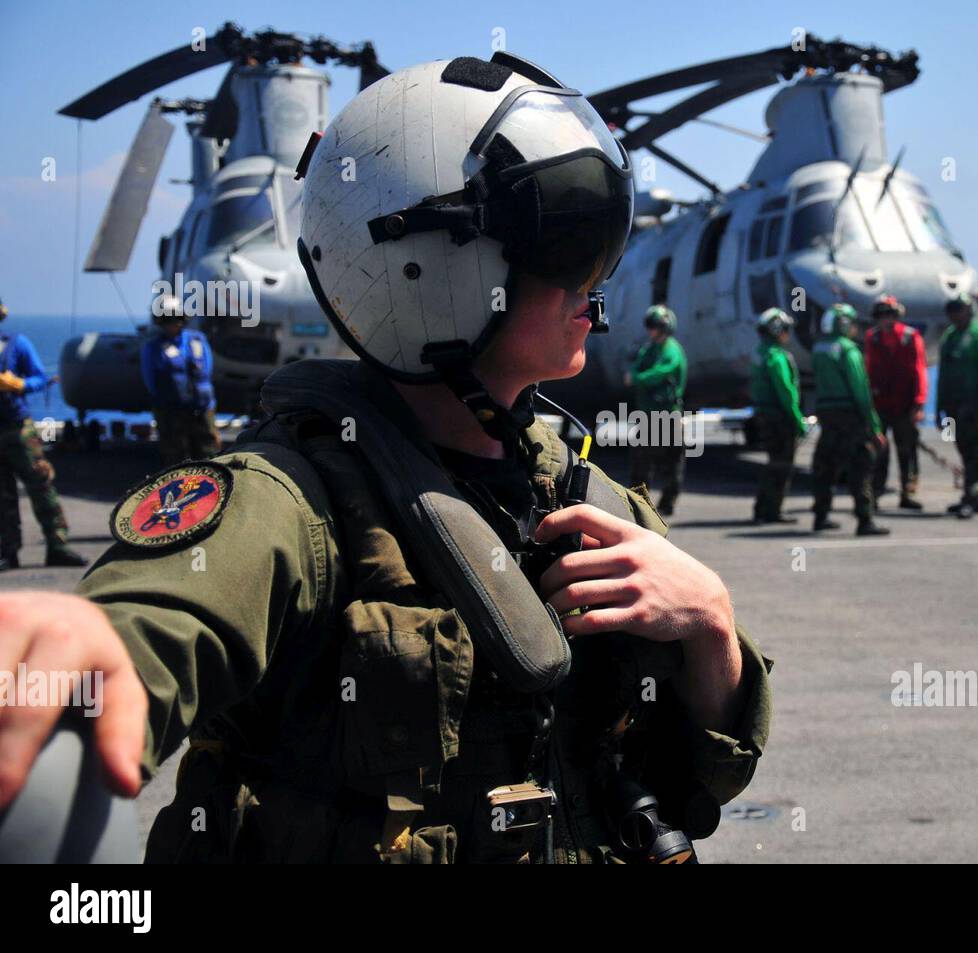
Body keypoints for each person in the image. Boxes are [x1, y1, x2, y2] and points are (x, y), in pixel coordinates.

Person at [0, 56, 771, 865]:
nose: (596, 277)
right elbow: (160, 618)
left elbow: (699, 779)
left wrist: (711, 621)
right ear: (429, 266)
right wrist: (85, 649)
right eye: (570, 241)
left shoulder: (590, 492)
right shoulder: (293, 500)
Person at [0, 296, 86, 569]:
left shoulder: (16, 344)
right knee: (2, 495)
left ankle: (58, 545)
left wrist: (19, 384)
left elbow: (40, 378)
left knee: (41, 485)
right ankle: (7, 551)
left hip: (18, 429)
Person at [811, 303, 889, 536]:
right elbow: (861, 391)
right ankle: (865, 519)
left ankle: (821, 515)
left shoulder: (819, 350)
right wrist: (874, 426)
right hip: (849, 416)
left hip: (827, 413)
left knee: (825, 465)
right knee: (860, 466)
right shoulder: (849, 351)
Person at [935, 292, 978, 519]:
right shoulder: (950, 337)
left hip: (973, 409)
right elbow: (943, 375)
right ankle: (975, 497)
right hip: (952, 409)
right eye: (951, 310)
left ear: (968, 310)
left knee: (976, 455)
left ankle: (971, 499)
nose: (953, 314)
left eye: (958, 309)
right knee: (964, 452)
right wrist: (938, 409)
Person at [863, 295, 928, 511]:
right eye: (882, 315)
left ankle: (907, 493)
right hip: (880, 404)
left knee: (907, 451)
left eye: (890, 315)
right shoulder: (872, 339)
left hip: (905, 406)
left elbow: (919, 371)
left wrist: (918, 403)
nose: (886, 319)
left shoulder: (911, 338)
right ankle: (875, 493)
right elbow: (868, 371)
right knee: (878, 450)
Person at [140, 296, 220, 466]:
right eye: (168, 319)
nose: (173, 324)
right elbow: (150, 380)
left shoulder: (197, 341)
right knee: (175, 456)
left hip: (202, 408)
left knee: (208, 454)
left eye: (176, 318)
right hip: (171, 411)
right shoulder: (153, 348)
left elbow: (207, 370)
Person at [624, 304, 687, 517]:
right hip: (648, 416)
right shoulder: (649, 349)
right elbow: (637, 366)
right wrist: (637, 375)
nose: (651, 330)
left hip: (668, 415)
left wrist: (638, 379)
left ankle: (667, 503)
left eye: (655, 326)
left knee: (672, 462)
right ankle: (639, 502)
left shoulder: (671, 350)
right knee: (641, 461)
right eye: (649, 326)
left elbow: (662, 371)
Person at [749, 307, 806, 525]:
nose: (788, 334)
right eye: (785, 329)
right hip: (779, 419)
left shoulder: (760, 353)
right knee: (782, 465)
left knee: (773, 463)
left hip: (765, 416)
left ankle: (762, 508)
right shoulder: (776, 357)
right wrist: (797, 419)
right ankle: (772, 511)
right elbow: (786, 392)